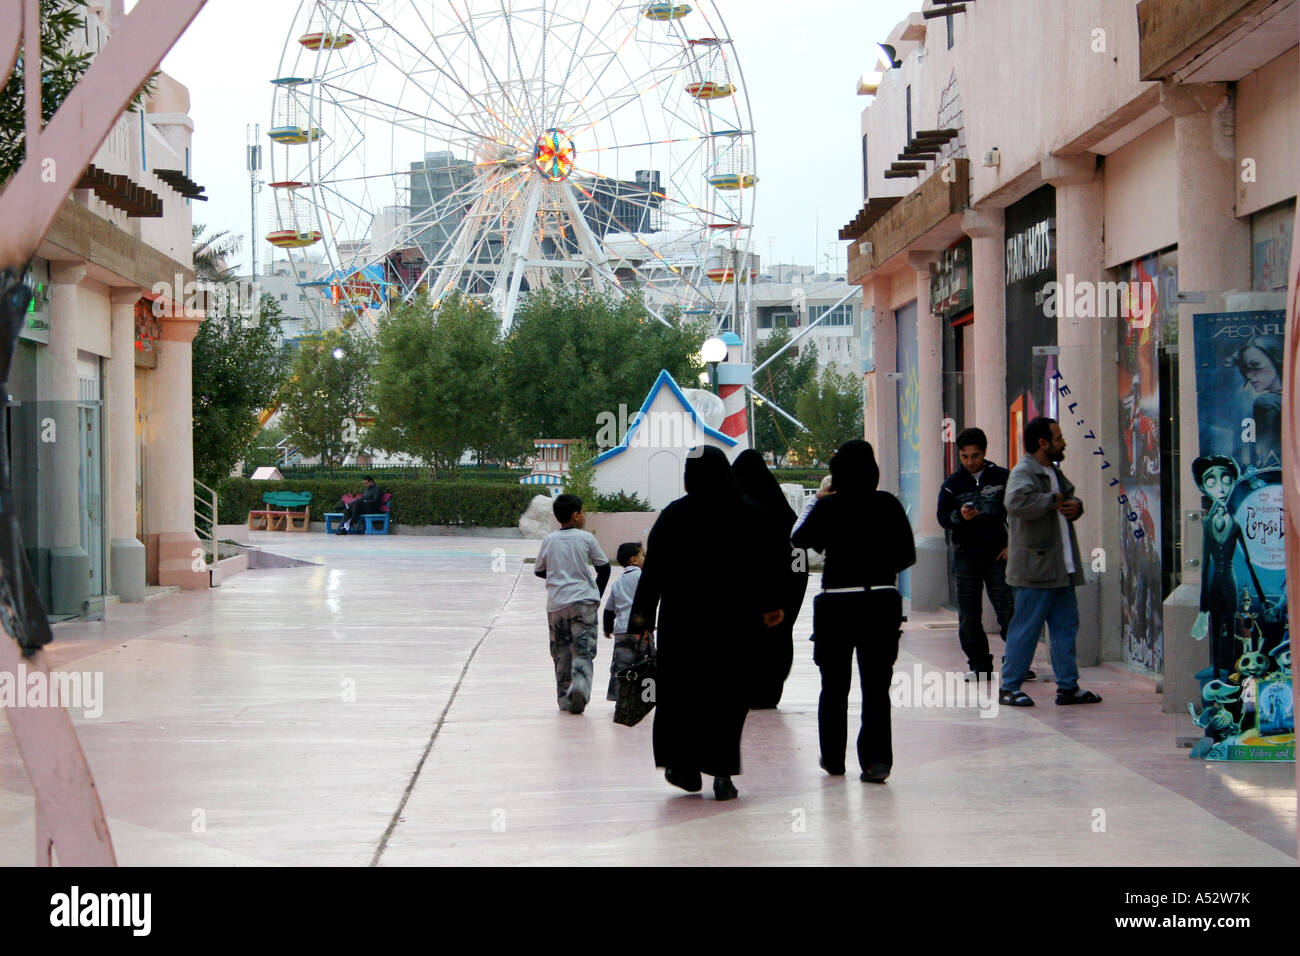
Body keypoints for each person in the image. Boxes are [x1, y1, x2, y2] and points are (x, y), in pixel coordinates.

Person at [629, 447, 785, 801]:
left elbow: (653, 573)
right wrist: (771, 606)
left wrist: (641, 620)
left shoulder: (675, 515)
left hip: (685, 625)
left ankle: (683, 766)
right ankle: (723, 773)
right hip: (736, 625)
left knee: (683, 695)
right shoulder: (749, 513)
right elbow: (767, 566)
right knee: (728, 697)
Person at [791, 440, 915, 784]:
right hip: (880, 603)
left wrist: (818, 501)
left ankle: (833, 757)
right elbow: (907, 555)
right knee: (876, 686)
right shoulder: (888, 504)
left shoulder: (830, 508)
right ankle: (876, 761)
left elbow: (798, 540)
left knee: (833, 685)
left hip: (837, 605)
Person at [999, 417, 1102, 707]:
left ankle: (1068, 687)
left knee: (1065, 628)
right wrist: (1051, 501)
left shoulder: (1052, 471)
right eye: (1058, 438)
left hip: (1061, 568)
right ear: (1042, 443)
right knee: (1026, 630)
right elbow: (1015, 503)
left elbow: (1068, 497)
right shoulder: (1025, 472)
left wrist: (1076, 505)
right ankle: (1009, 686)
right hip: (1036, 571)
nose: (1063, 442)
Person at [936, 427, 1021, 683]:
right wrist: (959, 516)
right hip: (965, 556)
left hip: (999, 554)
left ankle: (1017, 662)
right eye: (965, 456)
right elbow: (942, 519)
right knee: (969, 615)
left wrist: (1013, 546)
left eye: (975, 455)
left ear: (984, 452)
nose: (970, 462)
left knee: (1009, 611)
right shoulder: (952, 485)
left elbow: (1019, 514)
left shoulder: (1003, 477)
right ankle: (979, 666)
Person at [732, 449, 808, 709]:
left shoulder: (737, 513)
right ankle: (768, 692)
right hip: (781, 602)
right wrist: (788, 603)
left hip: (745, 602)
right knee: (776, 640)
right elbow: (799, 563)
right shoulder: (784, 515)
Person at [534, 494, 611, 715]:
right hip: (583, 602)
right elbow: (603, 568)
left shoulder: (549, 540)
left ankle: (564, 699)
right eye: (583, 512)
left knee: (561, 652)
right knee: (583, 650)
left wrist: (559, 576)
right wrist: (595, 594)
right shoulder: (586, 538)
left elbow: (540, 570)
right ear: (576, 515)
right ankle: (580, 686)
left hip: (557, 605)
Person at [603, 541, 647, 702]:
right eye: (643, 555)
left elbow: (609, 609)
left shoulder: (617, 583)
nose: (645, 558)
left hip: (621, 630)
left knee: (621, 663)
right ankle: (645, 696)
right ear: (634, 560)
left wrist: (608, 628)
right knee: (644, 662)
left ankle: (619, 695)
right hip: (641, 629)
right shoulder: (644, 578)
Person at [1232, 335, 1283, 470]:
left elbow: (1265, 459)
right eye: (1247, 369)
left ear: (1276, 360)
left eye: (1256, 366)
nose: (1249, 375)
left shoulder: (1266, 402)